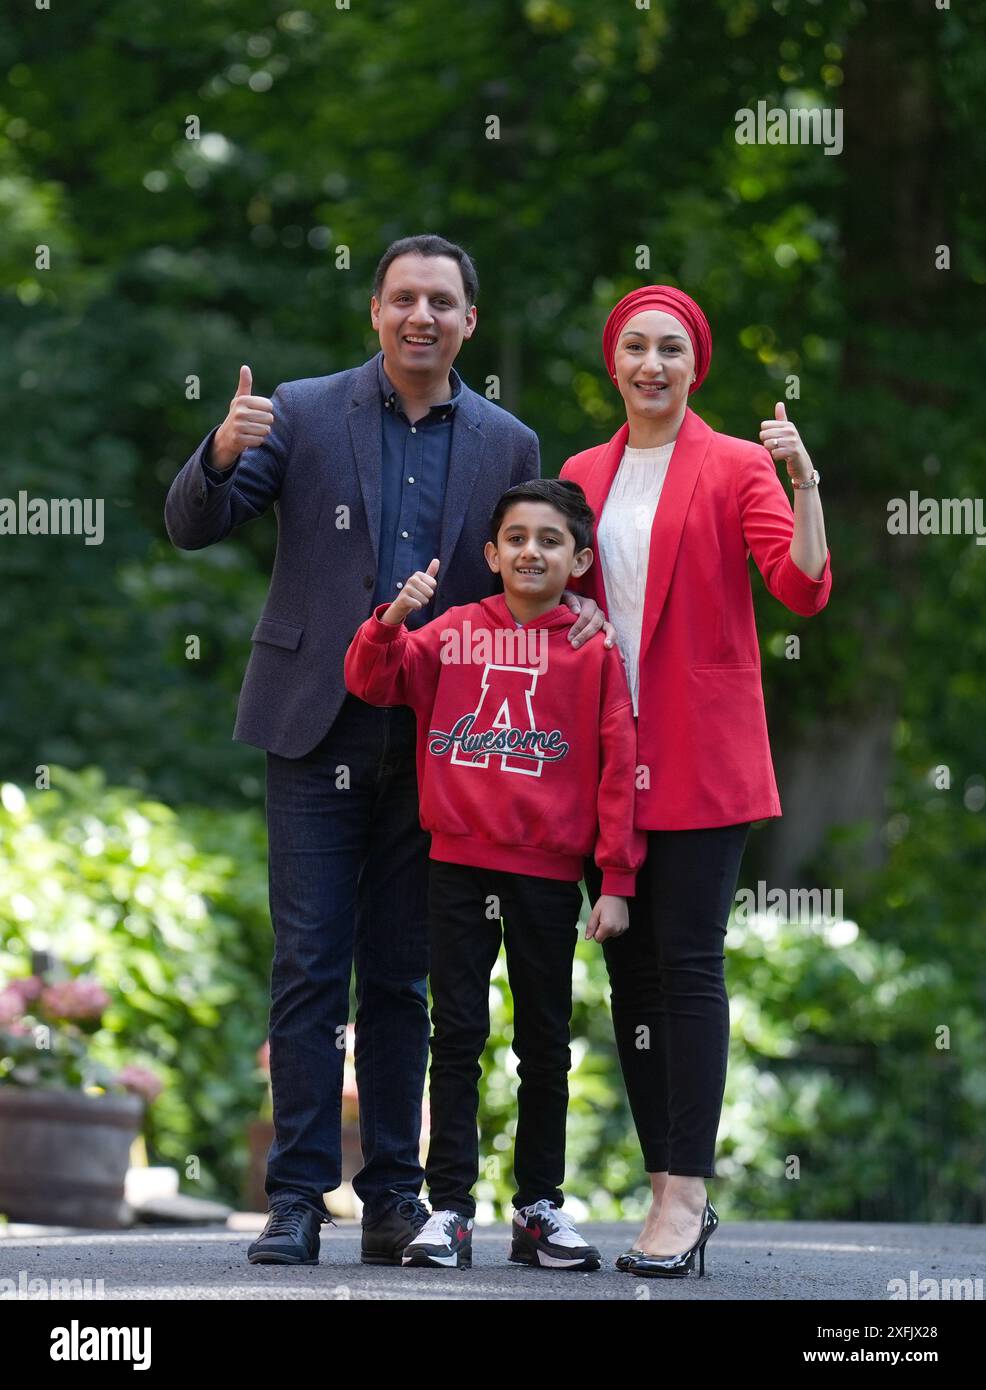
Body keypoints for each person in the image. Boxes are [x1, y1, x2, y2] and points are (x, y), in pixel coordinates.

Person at [164, 235, 610, 1267]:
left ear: (468, 323)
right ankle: (295, 1199)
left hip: (444, 742)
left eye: (441, 303)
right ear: (375, 312)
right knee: (309, 963)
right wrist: (221, 451)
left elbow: (532, 568)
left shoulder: (508, 441)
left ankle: (396, 1200)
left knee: (404, 977)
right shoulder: (305, 408)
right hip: (311, 719)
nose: (421, 316)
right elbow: (194, 524)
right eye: (403, 298)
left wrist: (581, 620)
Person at [560, 284, 832, 1278]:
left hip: (703, 751)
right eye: (634, 346)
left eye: (669, 348)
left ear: (695, 362)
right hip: (603, 755)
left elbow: (801, 585)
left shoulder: (733, 464)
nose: (651, 364)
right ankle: (658, 1179)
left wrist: (802, 481)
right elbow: (555, 591)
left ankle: (685, 1190)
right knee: (628, 974)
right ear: (614, 360)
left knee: (685, 968)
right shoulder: (581, 471)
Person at [344, 478, 646, 1270]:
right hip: (457, 864)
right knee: (457, 1039)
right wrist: (393, 618)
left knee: (545, 1044)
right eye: (516, 538)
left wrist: (615, 878)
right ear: (492, 553)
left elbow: (619, 766)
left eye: (550, 540)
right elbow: (372, 679)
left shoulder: (591, 647)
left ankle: (539, 1208)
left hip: (548, 873)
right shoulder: (451, 634)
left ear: (578, 560)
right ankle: (449, 1210)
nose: (530, 552)